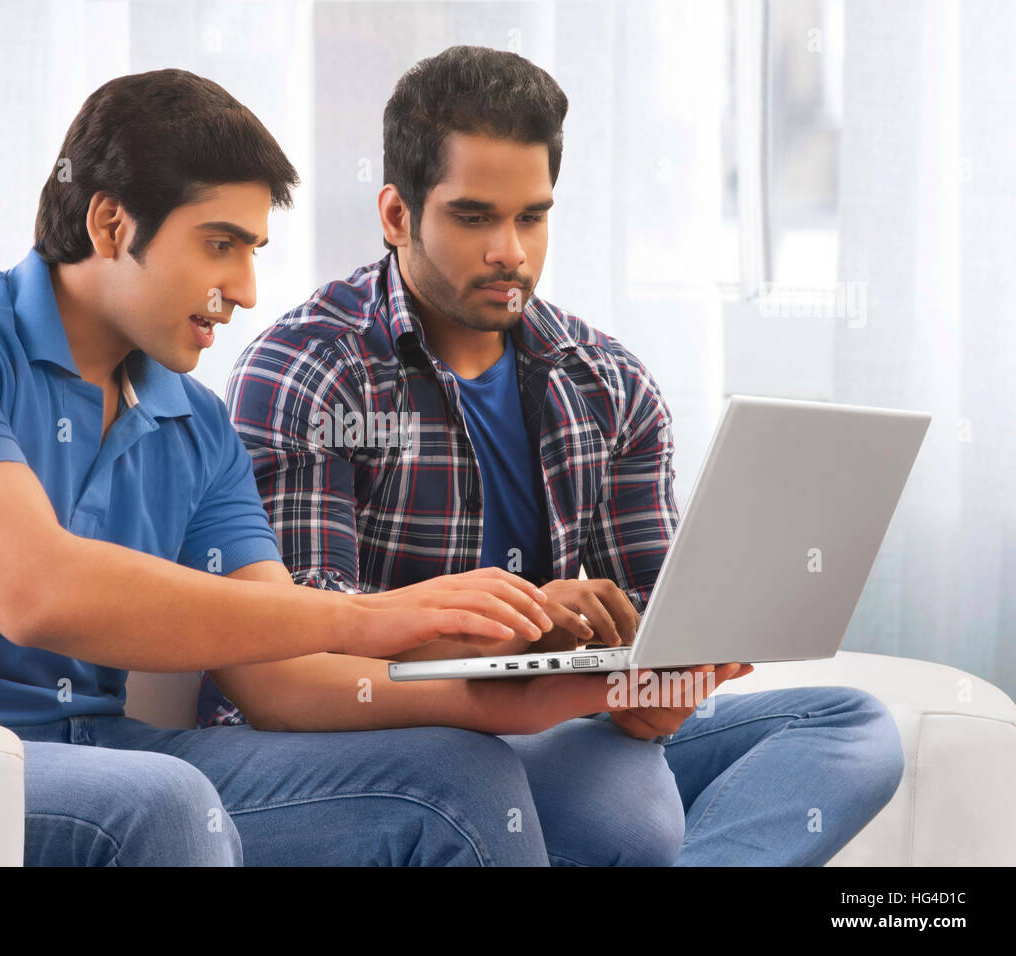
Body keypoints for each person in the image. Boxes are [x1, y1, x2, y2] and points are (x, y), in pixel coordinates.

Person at [0, 69, 585, 866]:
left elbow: (279, 678)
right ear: (111, 224)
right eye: (220, 244)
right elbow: (33, 589)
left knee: (455, 776)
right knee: (160, 801)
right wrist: (377, 617)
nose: (246, 288)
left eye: (254, 249)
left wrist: (513, 688)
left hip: (95, 752)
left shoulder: (194, 422)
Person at [212, 46, 906, 865]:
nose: (511, 252)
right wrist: (525, 632)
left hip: (562, 721)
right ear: (397, 215)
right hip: (379, 739)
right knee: (624, 817)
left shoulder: (606, 381)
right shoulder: (309, 370)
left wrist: (667, 684)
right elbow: (296, 637)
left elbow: (652, 614)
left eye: (532, 217)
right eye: (475, 218)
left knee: (849, 727)